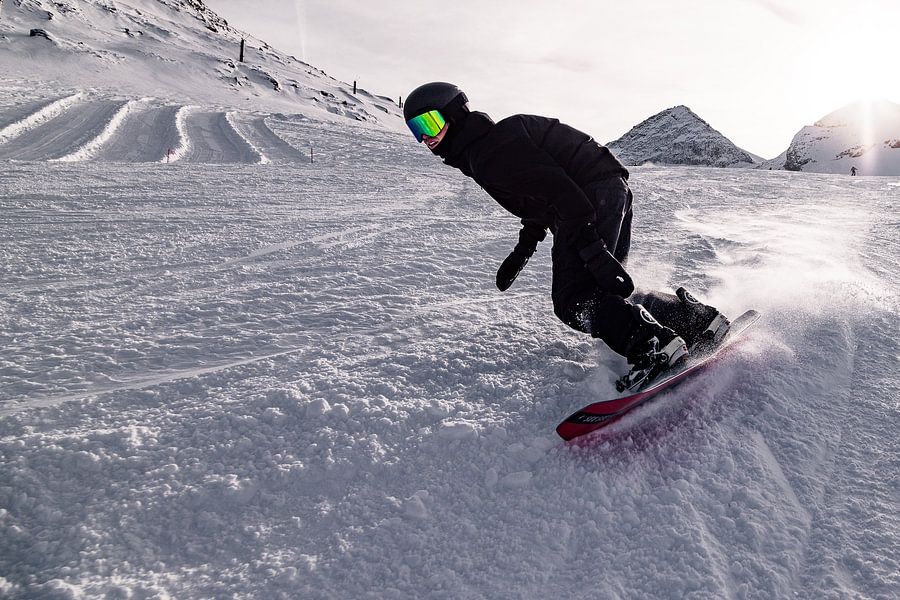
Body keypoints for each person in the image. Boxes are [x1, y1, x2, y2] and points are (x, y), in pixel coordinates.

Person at [403, 82, 729, 388]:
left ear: (456, 114)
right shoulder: (490, 148)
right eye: (417, 130)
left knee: (574, 300)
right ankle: (697, 321)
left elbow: (561, 192)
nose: (426, 137)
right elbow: (539, 199)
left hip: (589, 199)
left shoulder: (491, 151)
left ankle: (653, 345)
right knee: (603, 290)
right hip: (605, 190)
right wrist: (523, 249)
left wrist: (592, 248)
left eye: (430, 123)